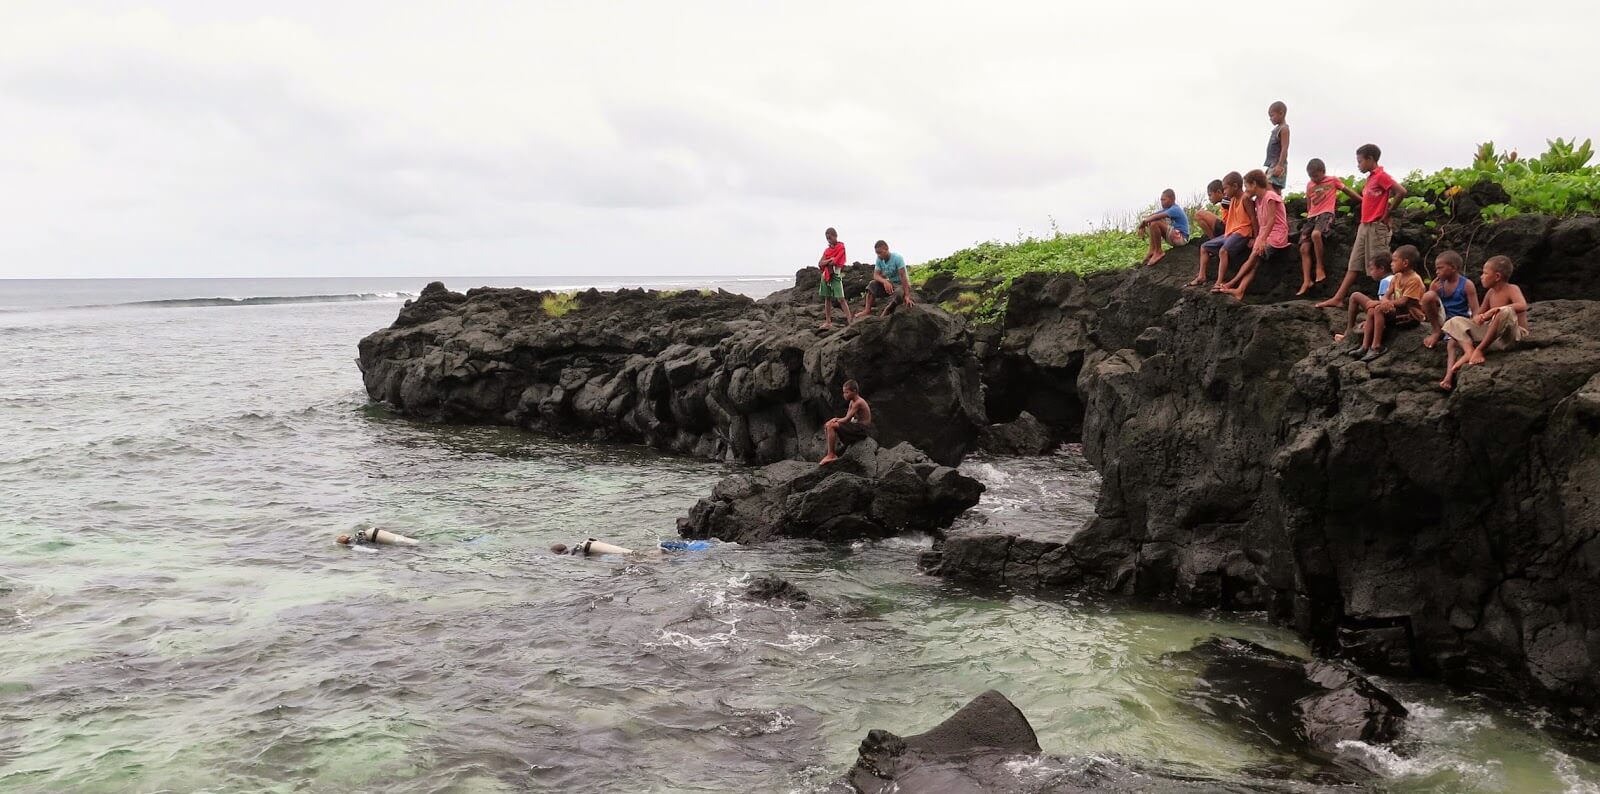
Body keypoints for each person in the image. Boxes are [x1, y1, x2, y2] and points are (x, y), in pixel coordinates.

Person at [1316, 144, 1407, 308]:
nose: (1358, 165)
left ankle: (1392, 303)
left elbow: (1401, 191)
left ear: (1370, 159)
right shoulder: (1371, 178)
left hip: (1377, 227)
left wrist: (1388, 212)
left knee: (1383, 267)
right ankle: (1338, 298)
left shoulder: (1381, 176)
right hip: (1365, 225)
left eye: (1360, 161)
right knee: (1354, 264)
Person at [1439, 256, 1529, 391]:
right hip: (1493, 337)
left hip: (1512, 335)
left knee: (1505, 312)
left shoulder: (1512, 288)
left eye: (1485, 273)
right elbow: (1477, 316)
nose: (1481, 276)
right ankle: (1464, 357)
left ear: (1497, 276)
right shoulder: (1490, 293)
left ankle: (1479, 349)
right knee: (1454, 322)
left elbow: (1522, 305)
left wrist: (1494, 311)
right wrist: (1479, 317)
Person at [1218, 170, 1290, 299]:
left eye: (1246, 186)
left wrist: (1261, 239)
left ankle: (1231, 283)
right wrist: (1258, 237)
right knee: (1254, 261)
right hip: (1264, 233)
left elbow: (1272, 220)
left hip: (1276, 233)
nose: (1245, 190)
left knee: (1253, 257)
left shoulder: (1270, 196)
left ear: (1254, 184)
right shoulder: (1258, 200)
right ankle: (1240, 290)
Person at [1347, 245, 1426, 362]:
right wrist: (1383, 302)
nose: (1391, 264)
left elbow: (1404, 301)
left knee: (1378, 309)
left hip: (1410, 316)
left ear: (1405, 263)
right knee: (1372, 310)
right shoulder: (1397, 277)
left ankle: (1376, 346)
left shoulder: (1414, 279)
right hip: (1397, 311)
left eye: (1394, 261)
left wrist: (1382, 304)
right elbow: (1387, 294)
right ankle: (1364, 346)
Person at [1296, 158, 1362, 295]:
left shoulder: (1332, 180)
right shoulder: (1309, 185)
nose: (1313, 179)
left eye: (1315, 176)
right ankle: (1306, 280)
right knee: (1303, 248)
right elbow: (1309, 202)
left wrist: (1363, 201)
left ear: (1323, 171)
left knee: (1316, 234)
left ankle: (1320, 267)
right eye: (1310, 176)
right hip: (1312, 216)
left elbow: (1347, 191)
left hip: (1326, 214)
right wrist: (1309, 215)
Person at [1190, 172, 1252, 288]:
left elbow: (1252, 217)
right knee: (1204, 246)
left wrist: (1254, 237)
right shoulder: (1230, 201)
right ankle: (1201, 276)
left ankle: (1219, 282)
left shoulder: (1234, 200)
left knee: (1222, 250)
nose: (1224, 192)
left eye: (1225, 189)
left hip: (1239, 231)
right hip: (1230, 231)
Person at [1419, 250, 1478, 349]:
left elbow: (1475, 309)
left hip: (1460, 321)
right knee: (1428, 296)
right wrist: (1432, 291)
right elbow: (1427, 304)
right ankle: (1437, 331)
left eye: (1440, 268)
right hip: (1444, 320)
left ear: (1453, 268)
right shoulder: (1438, 284)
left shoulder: (1467, 285)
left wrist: (1475, 325)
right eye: (1436, 269)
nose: (1437, 272)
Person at [1333, 255, 1394, 348]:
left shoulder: (1385, 281)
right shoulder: (1395, 278)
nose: (1370, 272)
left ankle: (1348, 332)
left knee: (1355, 296)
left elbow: (1385, 304)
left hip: (1386, 312)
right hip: (1390, 310)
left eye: (1372, 269)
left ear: (1381, 268)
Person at [819, 379, 873, 466]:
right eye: (844, 392)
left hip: (862, 429)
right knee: (828, 425)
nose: (844, 395)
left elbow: (846, 419)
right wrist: (835, 419)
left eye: (847, 392)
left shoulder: (858, 402)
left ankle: (831, 454)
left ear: (854, 391)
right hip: (856, 426)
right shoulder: (852, 402)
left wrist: (834, 420)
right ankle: (830, 452)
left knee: (831, 426)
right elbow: (847, 417)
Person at [855, 241, 915, 317]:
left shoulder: (897, 258)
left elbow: (903, 276)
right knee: (872, 285)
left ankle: (888, 308)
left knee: (899, 293)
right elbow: (876, 275)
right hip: (891, 283)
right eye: (877, 253)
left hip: (901, 284)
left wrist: (907, 295)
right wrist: (885, 282)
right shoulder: (879, 259)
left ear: (886, 248)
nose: (879, 255)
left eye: (880, 252)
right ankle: (867, 310)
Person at [1136, 188, 1191, 266]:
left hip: (1182, 238)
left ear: (1172, 199)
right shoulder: (1166, 209)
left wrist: (1143, 223)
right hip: (1174, 236)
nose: (1161, 202)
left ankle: (1158, 251)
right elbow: (1152, 216)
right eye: (1161, 200)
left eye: (1164, 200)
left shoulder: (1175, 209)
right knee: (1152, 222)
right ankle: (1152, 250)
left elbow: (1156, 217)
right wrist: (1143, 224)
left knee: (1155, 222)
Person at [817, 228, 852, 329]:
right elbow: (820, 263)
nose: (829, 240)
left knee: (841, 298)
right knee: (827, 298)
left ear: (835, 236)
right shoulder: (827, 250)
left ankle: (850, 320)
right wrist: (829, 260)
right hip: (825, 275)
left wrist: (827, 261)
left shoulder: (841, 247)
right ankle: (828, 321)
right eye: (827, 238)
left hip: (836, 275)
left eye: (830, 237)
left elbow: (835, 262)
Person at [550, 538, 717, 556]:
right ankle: (665, 550)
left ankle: (666, 551)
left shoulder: (571, 555)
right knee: (640, 555)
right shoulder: (576, 549)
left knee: (639, 557)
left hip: (590, 549)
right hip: (590, 545)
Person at [1264, 101, 1291, 192]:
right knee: (1272, 187)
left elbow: (1284, 148)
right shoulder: (1276, 129)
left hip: (1278, 163)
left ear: (1281, 113)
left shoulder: (1284, 129)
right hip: (1272, 164)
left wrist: (1280, 165)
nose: (1270, 119)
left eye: (1272, 115)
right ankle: (1276, 203)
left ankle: (1276, 203)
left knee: (1267, 184)